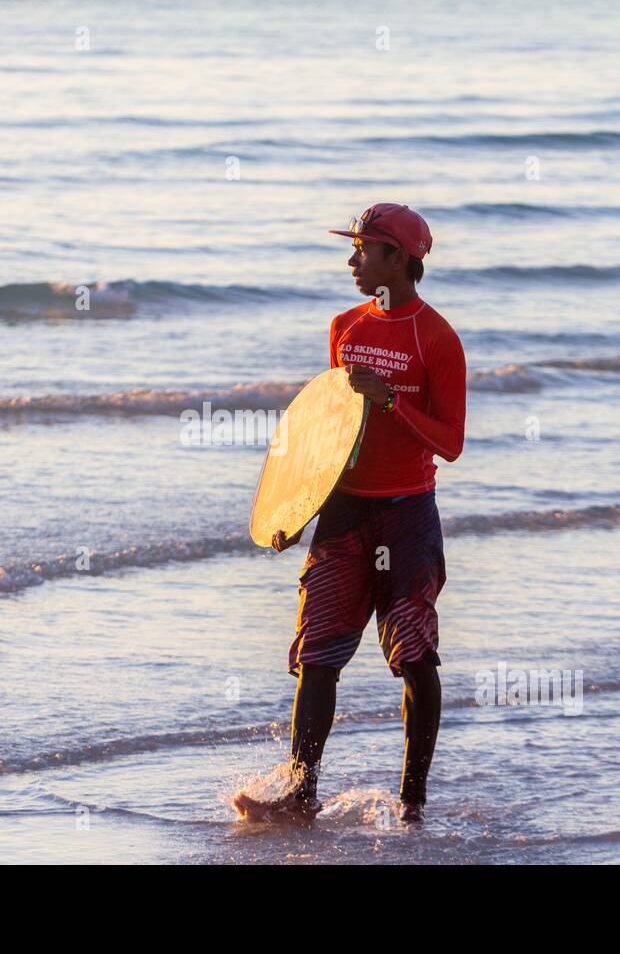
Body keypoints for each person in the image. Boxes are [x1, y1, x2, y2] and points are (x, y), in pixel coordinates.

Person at [241, 203, 467, 824]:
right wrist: (294, 507)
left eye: (364, 249)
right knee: (316, 654)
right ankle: (301, 791)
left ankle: (413, 803)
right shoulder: (344, 326)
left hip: (407, 514)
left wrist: (391, 398)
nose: (352, 260)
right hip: (343, 514)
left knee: (414, 656)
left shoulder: (438, 339)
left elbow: (450, 442)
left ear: (398, 258)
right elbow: (325, 434)